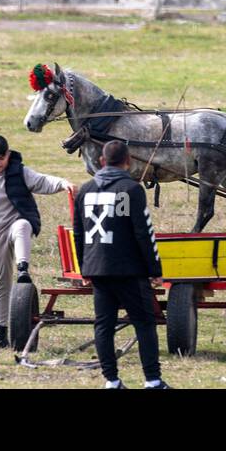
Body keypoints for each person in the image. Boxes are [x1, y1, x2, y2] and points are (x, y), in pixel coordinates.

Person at [73, 139, 169, 390]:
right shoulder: (131, 190)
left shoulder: (85, 190)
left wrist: (84, 268)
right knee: (144, 323)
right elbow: (143, 232)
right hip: (128, 269)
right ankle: (152, 380)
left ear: (102, 162)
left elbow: (78, 232)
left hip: (97, 269)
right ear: (128, 162)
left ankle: (111, 381)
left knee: (104, 325)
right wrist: (155, 270)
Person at [0, 135, 74, 349]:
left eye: (1, 158)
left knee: (23, 225)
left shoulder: (19, 172)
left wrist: (64, 184)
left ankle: (23, 269)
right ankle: (0, 334)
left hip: (14, 226)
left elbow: (43, 181)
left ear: (8, 156)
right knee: (0, 285)